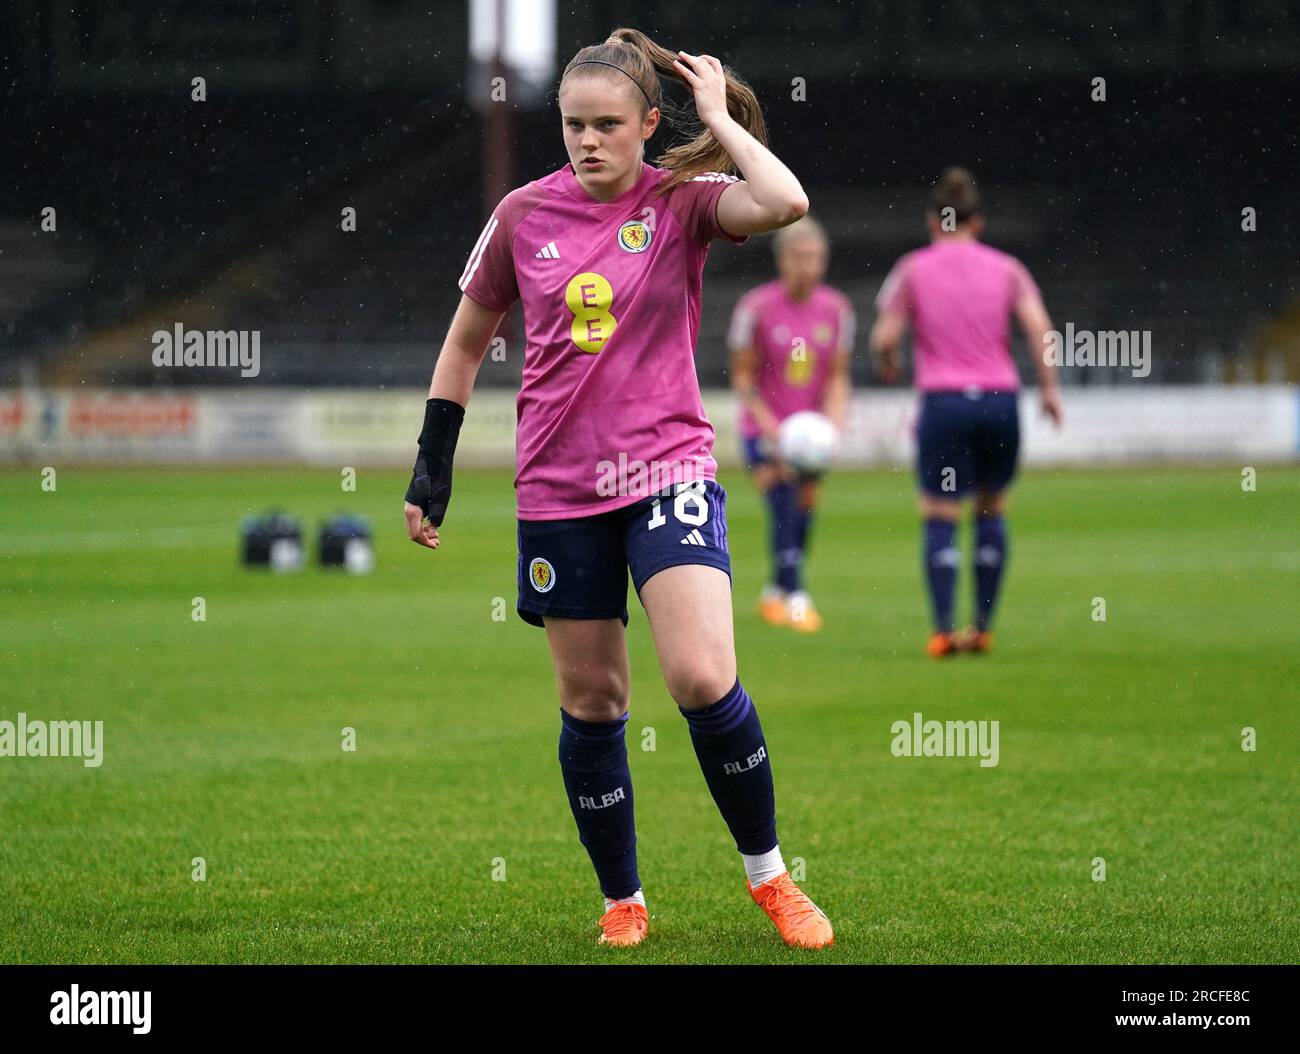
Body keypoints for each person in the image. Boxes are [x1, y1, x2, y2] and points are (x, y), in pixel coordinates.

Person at [403, 28, 833, 949]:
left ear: (646, 124)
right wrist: (432, 465)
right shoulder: (523, 214)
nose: (588, 142)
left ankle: (771, 877)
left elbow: (787, 200)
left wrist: (716, 117)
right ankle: (622, 899)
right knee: (593, 704)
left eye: (607, 124)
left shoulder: (680, 203)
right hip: (557, 491)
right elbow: (467, 340)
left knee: (701, 674)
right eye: (572, 126)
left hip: (665, 470)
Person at [869, 167, 1062, 658]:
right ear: (977, 222)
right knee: (991, 508)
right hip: (999, 400)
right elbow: (1041, 330)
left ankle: (942, 630)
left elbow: (884, 337)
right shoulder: (1008, 268)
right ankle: (982, 627)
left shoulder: (913, 269)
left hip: (944, 402)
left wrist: (888, 363)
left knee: (940, 513)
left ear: (933, 221)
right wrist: (1049, 391)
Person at [727, 215, 854, 631]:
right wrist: (769, 427)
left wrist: (833, 424)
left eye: (815, 258)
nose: (808, 266)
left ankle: (774, 592)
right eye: (799, 257)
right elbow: (743, 376)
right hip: (763, 429)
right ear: (782, 259)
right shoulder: (756, 308)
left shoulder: (837, 310)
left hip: (810, 433)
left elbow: (837, 375)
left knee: (804, 510)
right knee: (782, 500)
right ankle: (797, 596)